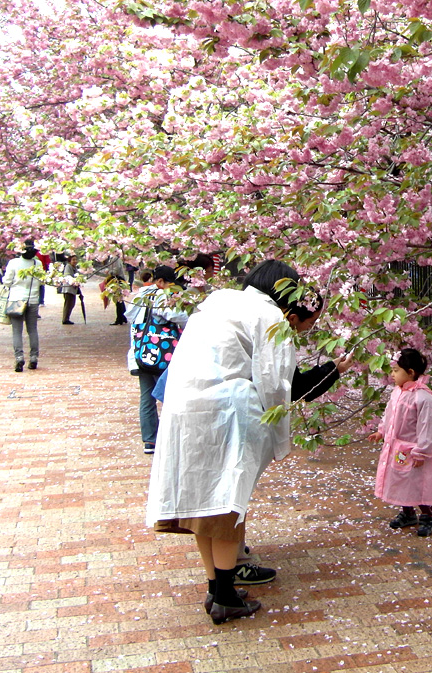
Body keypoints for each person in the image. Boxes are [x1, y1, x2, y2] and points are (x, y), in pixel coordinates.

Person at [145, 259, 351, 625]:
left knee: (204, 505)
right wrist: (334, 369)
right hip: (227, 415)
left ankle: (215, 588)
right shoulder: (269, 317)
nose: (304, 330)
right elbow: (281, 386)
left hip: (184, 410)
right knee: (226, 505)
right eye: (307, 322)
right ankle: (225, 598)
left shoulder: (219, 303)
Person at [368, 348, 432, 537]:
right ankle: (408, 512)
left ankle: (429, 514)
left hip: (413, 449)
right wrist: (382, 431)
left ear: (410, 372)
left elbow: (427, 428)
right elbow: (389, 413)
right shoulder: (397, 392)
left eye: (396, 370)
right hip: (398, 447)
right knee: (401, 480)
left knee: (416, 482)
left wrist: (422, 452)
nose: (392, 374)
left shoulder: (423, 398)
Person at [127, 266, 189, 455]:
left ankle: (150, 440)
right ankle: (171, 438)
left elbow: (129, 316)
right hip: (163, 354)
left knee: (147, 397)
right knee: (169, 394)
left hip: (140, 352)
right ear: (161, 282)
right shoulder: (161, 296)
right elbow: (180, 316)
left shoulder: (139, 295)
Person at [3, 239, 42, 372]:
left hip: (16, 300)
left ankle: (19, 357)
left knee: (17, 331)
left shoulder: (13, 263)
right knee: (32, 330)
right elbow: (41, 281)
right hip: (32, 300)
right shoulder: (38, 263)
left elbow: (7, 281)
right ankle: (34, 358)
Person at [54, 252, 82, 325]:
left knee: (71, 304)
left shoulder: (74, 267)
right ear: (69, 260)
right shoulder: (68, 266)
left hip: (72, 289)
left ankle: (66, 318)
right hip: (68, 289)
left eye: (76, 259)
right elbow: (68, 276)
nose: (75, 261)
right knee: (68, 304)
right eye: (73, 260)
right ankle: (65, 319)